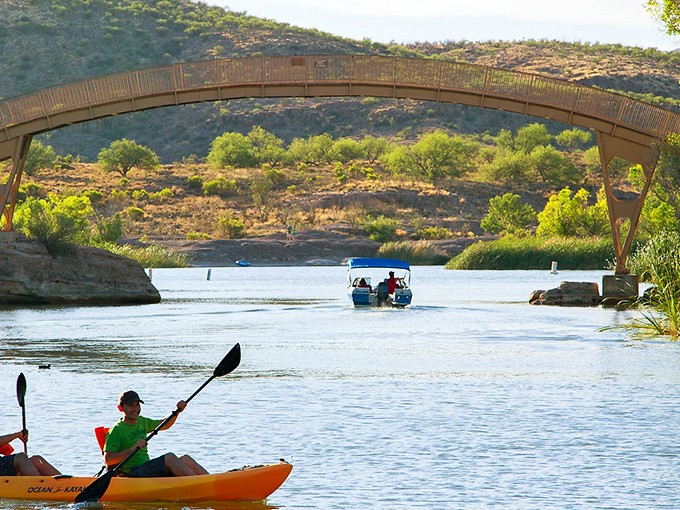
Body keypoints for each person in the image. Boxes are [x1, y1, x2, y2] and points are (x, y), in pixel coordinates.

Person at [103, 390, 208, 477]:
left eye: (137, 405)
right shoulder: (116, 430)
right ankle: (200, 484)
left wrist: (177, 412)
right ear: (120, 408)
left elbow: (165, 424)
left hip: (146, 468)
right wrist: (132, 449)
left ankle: (211, 481)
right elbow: (108, 460)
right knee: (169, 457)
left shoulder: (142, 421)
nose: (135, 409)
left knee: (185, 459)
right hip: (132, 473)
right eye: (131, 406)